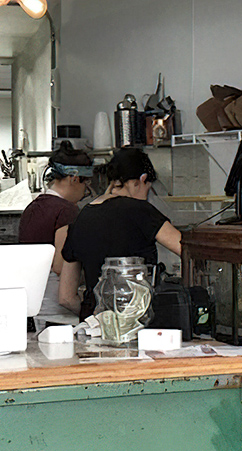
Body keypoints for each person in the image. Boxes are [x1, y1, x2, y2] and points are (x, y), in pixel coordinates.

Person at [59, 147, 181, 320]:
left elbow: (65, 298)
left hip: (92, 324)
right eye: (148, 189)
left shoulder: (82, 216)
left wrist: (96, 318)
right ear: (142, 179)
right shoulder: (141, 211)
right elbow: (186, 249)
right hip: (136, 321)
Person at [18, 141, 93, 328]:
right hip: (56, 310)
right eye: (86, 184)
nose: (86, 192)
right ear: (74, 179)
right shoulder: (66, 210)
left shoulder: (32, 207)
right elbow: (60, 265)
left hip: (32, 304)